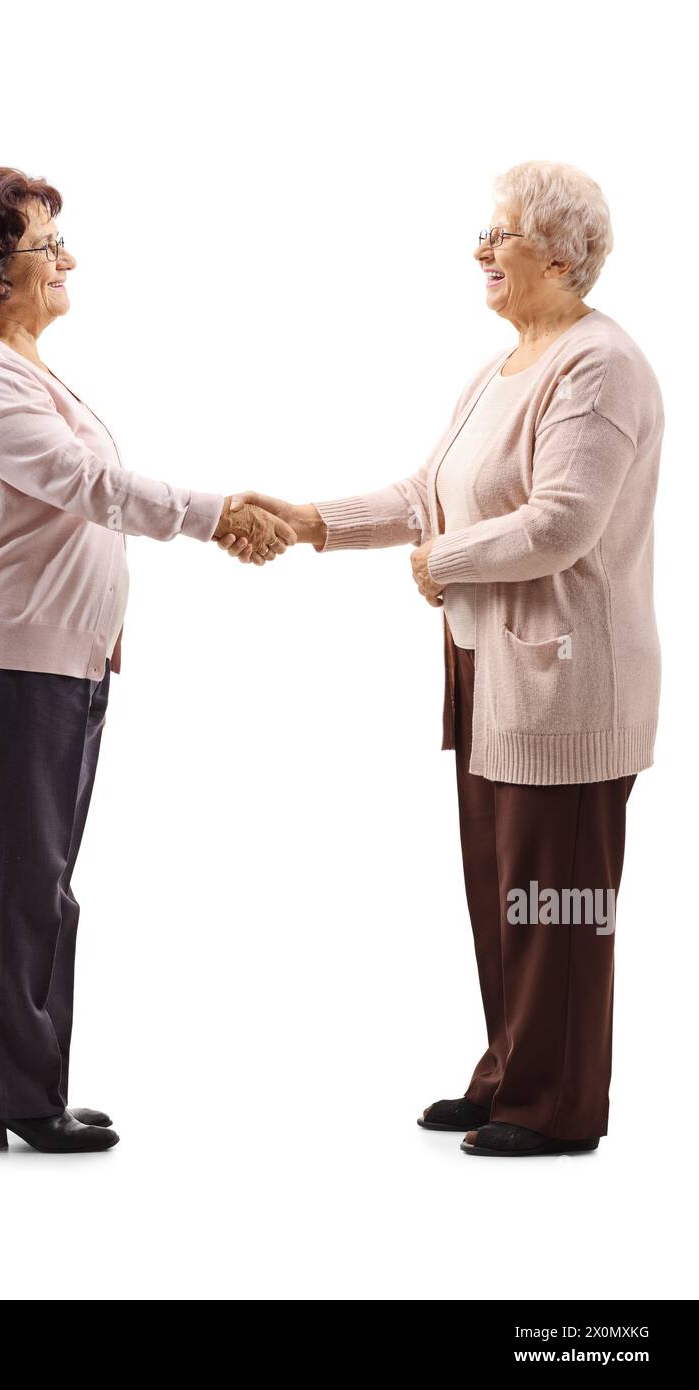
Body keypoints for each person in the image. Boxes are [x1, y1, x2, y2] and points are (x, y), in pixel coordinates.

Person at [225, 161, 664, 1156]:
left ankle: (555, 1108)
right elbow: (427, 492)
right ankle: (511, 1070)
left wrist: (440, 564)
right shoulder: (502, 367)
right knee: (500, 884)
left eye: (497, 234)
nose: (478, 251)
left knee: (555, 897)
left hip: (565, 677)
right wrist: (308, 522)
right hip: (488, 668)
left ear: (559, 254)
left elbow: (560, 523)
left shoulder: (597, 367)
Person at [0, 166, 296, 1154]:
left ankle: (15, 1088)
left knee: (29, 880)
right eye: (48, 247)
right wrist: (214, 517)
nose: (67, 258)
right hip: (10, 666)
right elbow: (80, 480)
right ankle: (13, 1093)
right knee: (9, 880)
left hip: (55, 664)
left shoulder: (13, 366)